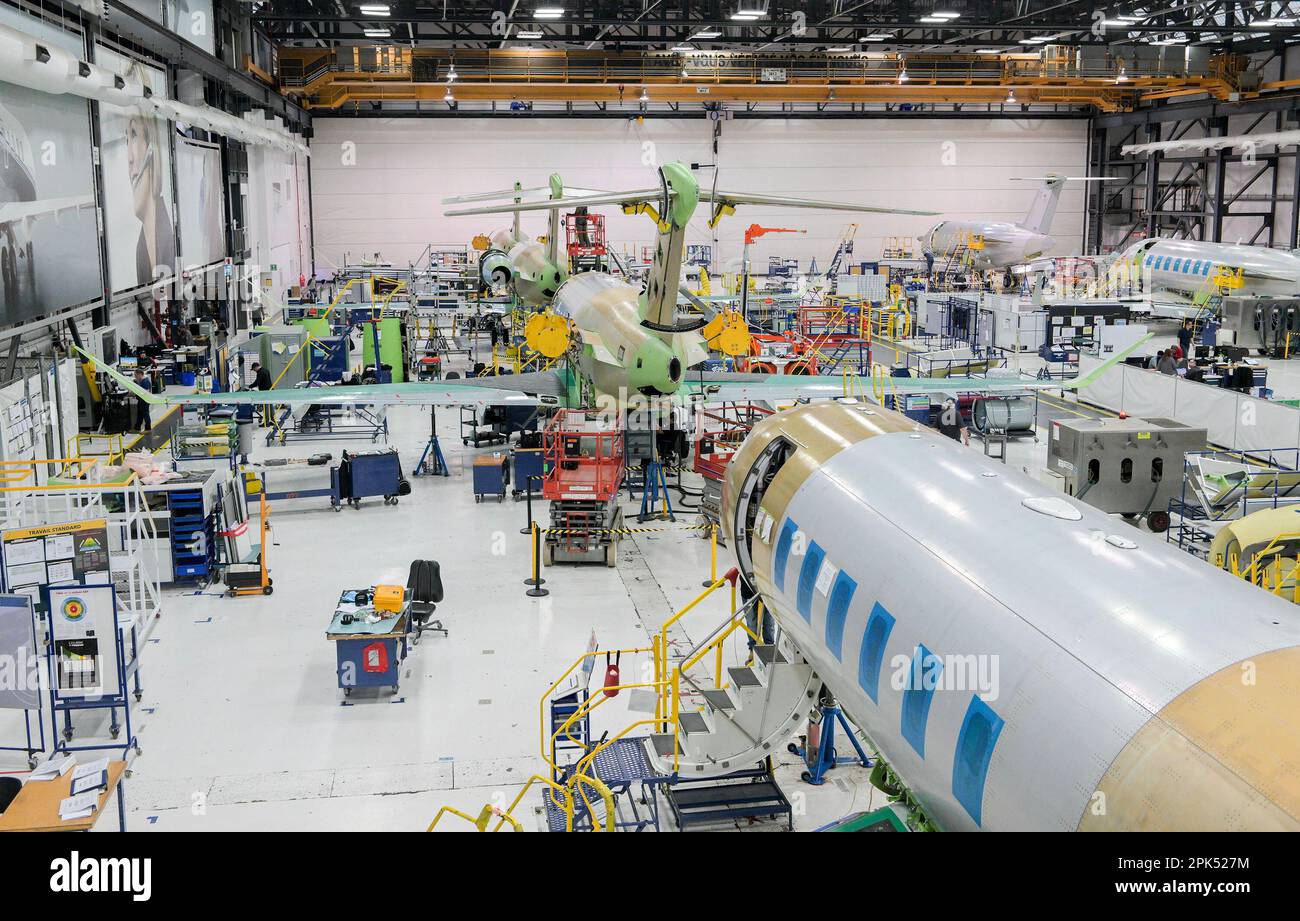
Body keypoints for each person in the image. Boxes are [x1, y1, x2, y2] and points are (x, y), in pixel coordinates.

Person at [125, 65, 177, 284]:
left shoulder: (170, 239)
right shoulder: (140, 251)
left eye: (134, 134)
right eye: (125, 138)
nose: (128, 157)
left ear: (151, 145)